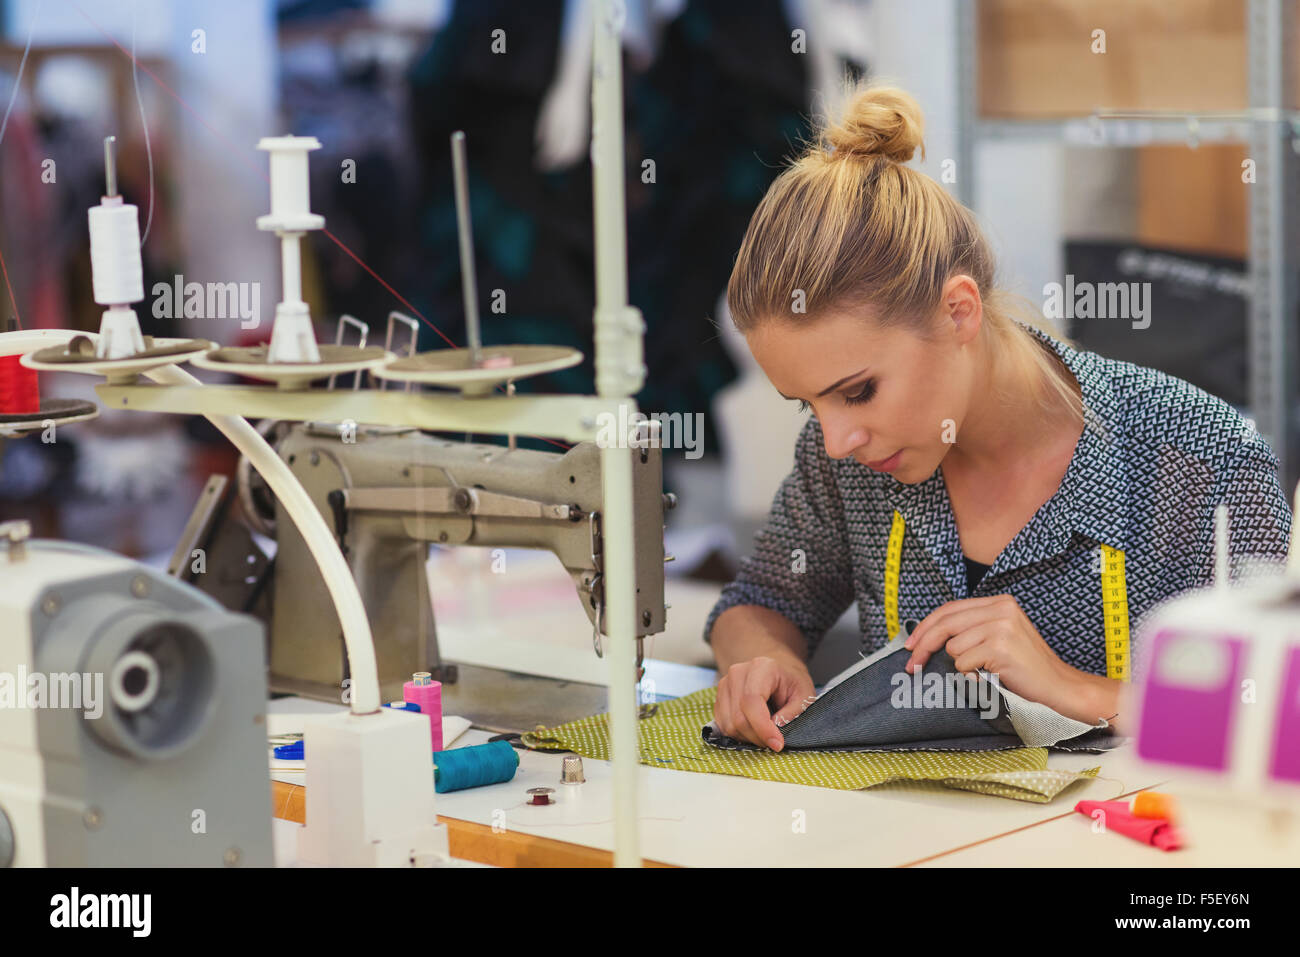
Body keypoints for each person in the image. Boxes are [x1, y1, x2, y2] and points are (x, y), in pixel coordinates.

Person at [705, 84, 1293, 751]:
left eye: (858, 390)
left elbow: (1271, 714)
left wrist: (1073, 688)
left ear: (958, 310)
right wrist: (763, 660)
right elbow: (761, 602)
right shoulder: (851, 458)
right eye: (808, 404)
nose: (836, 440)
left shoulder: (1204, 457)